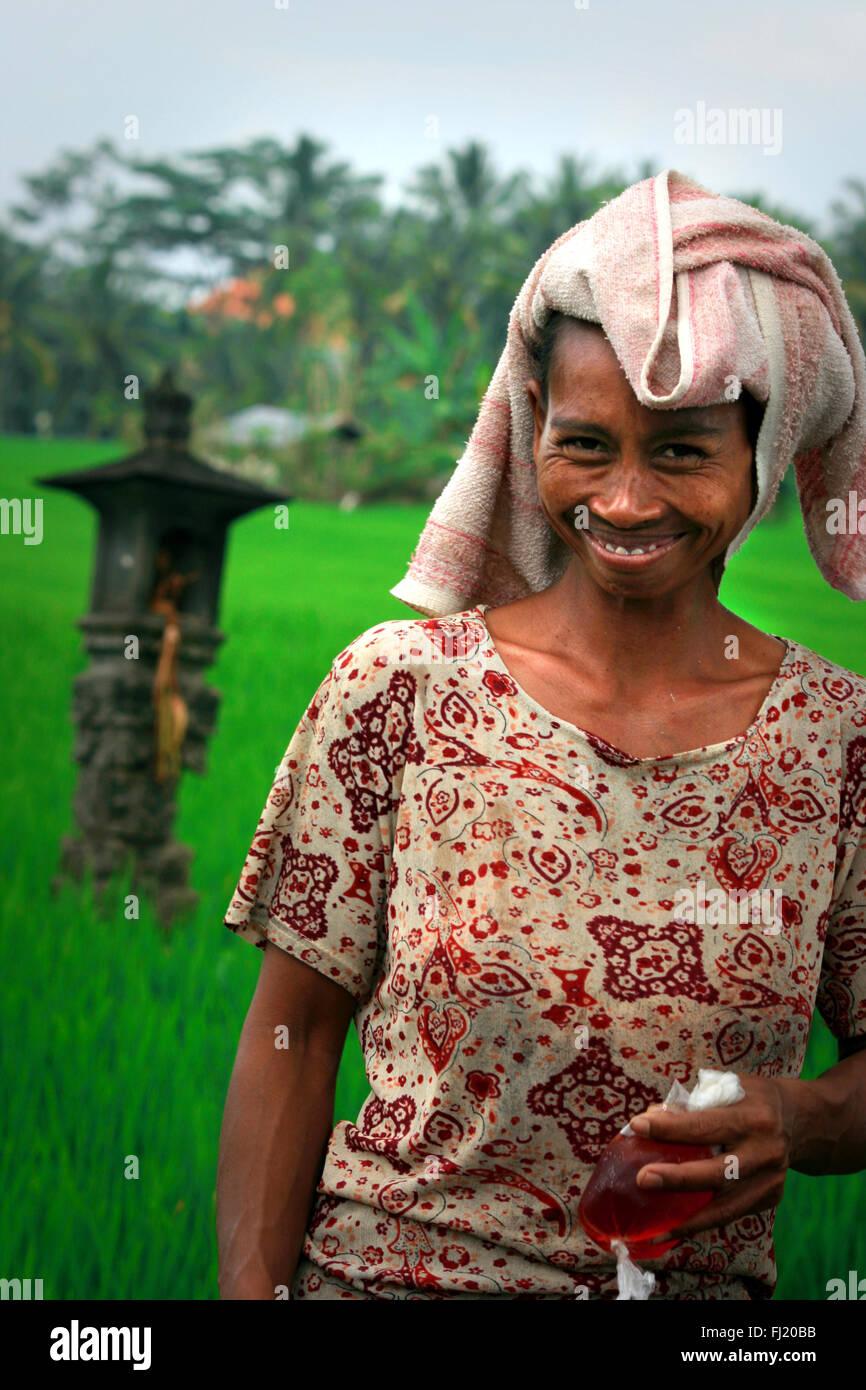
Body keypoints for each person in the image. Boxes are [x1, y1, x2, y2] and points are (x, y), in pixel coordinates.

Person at [216, 169, 866, 1300]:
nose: (620, 501)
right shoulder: (402, 689)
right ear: (530, 434)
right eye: (583, 444)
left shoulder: (836, 741)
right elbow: (292, 1035)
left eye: (677, 451)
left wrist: (798, 1115)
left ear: (760, 465)